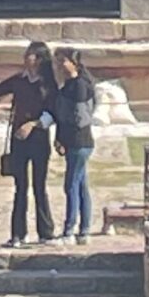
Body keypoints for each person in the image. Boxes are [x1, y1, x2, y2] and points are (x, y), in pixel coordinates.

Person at [0, 40, 58, 246]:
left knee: (39, 186)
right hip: (19, 141)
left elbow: (53, 111)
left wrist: (33, 124)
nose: (26, 58)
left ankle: (46, 232)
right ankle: (18, 234)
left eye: (31, 55)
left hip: (39, 139)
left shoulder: (48, 84)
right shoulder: (19, 80)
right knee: (20, 186)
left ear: (40, 59)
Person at [50, 44, 99, 243]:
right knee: (80, 184)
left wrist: (65, 135)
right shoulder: (68, 86)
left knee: (71, 184)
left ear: (74, 62)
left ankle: (70, 229)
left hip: (79, 142)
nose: (60, 66)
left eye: (63, 61)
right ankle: (84, 230)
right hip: (73, 141)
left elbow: (79, 118)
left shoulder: (79, 86)